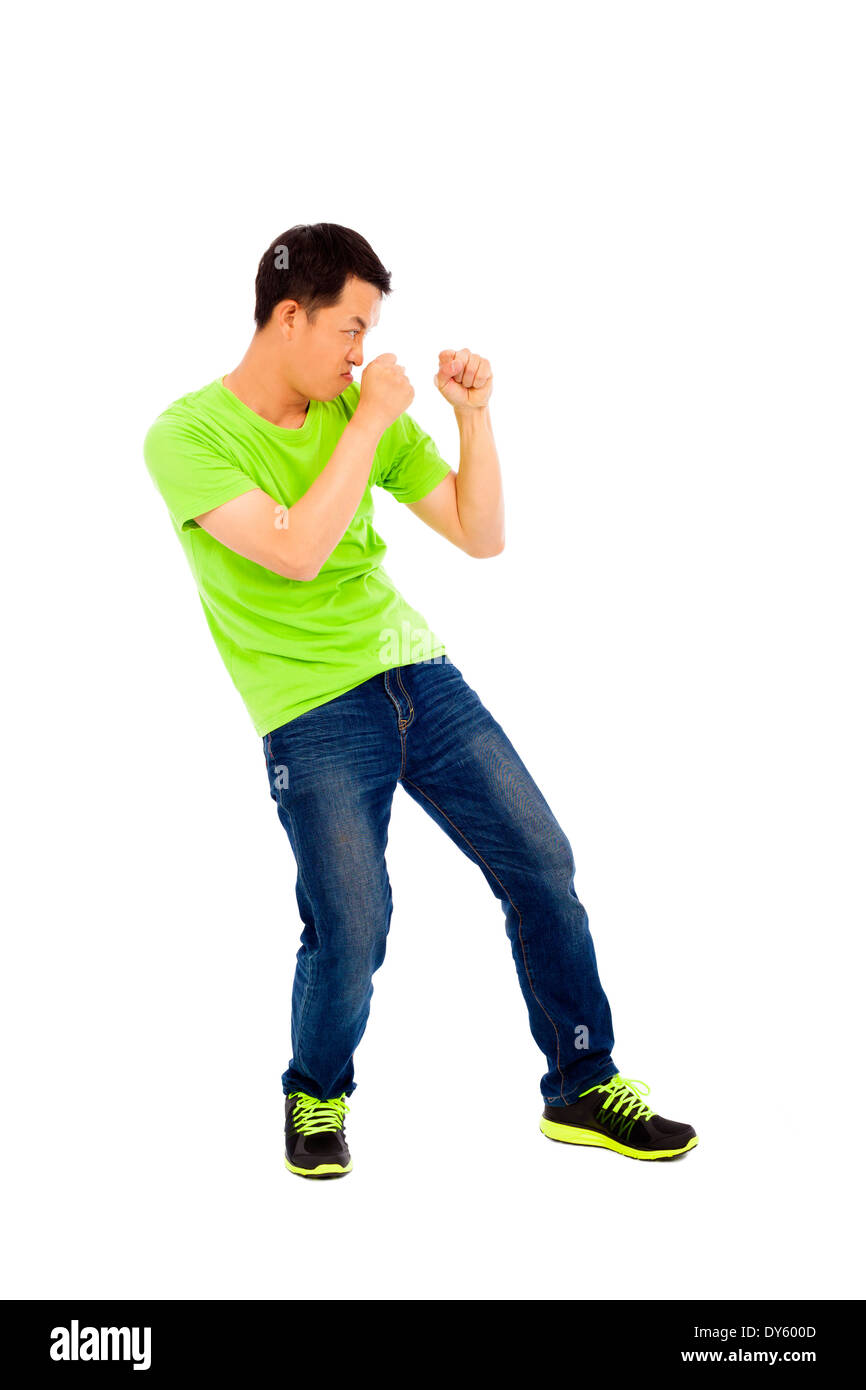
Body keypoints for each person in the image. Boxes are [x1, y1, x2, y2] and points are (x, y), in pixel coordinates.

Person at [143, 222, 698, 1178]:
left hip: (417, 674)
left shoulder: (363, 411)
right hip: (311, 709)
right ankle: (315, 1095)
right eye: (350, 329)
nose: (362, 353)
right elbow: (294, 548)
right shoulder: (186, 435)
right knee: (354, 923)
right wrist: (366, 423)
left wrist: (471, 418)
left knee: (541, 860)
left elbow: (480, 536)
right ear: (289, 317)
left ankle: (581, 1085)